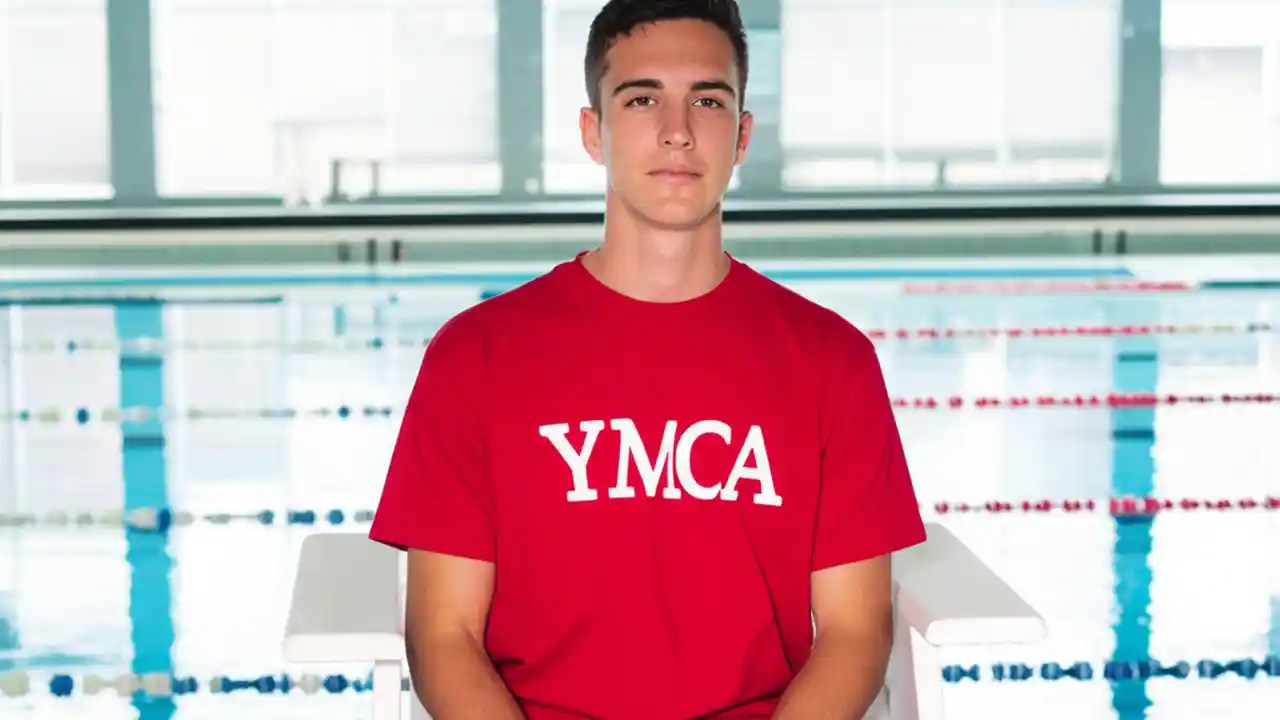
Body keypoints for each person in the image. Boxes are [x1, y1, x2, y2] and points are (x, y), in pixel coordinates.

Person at [368, 0, 926, 717]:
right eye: (641, 99)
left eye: (707, 100)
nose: (676, 131)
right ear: (593, 132)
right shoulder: (474, 357)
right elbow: (444, 635)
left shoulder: (832, 361)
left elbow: (855, 633)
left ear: (742, 134)